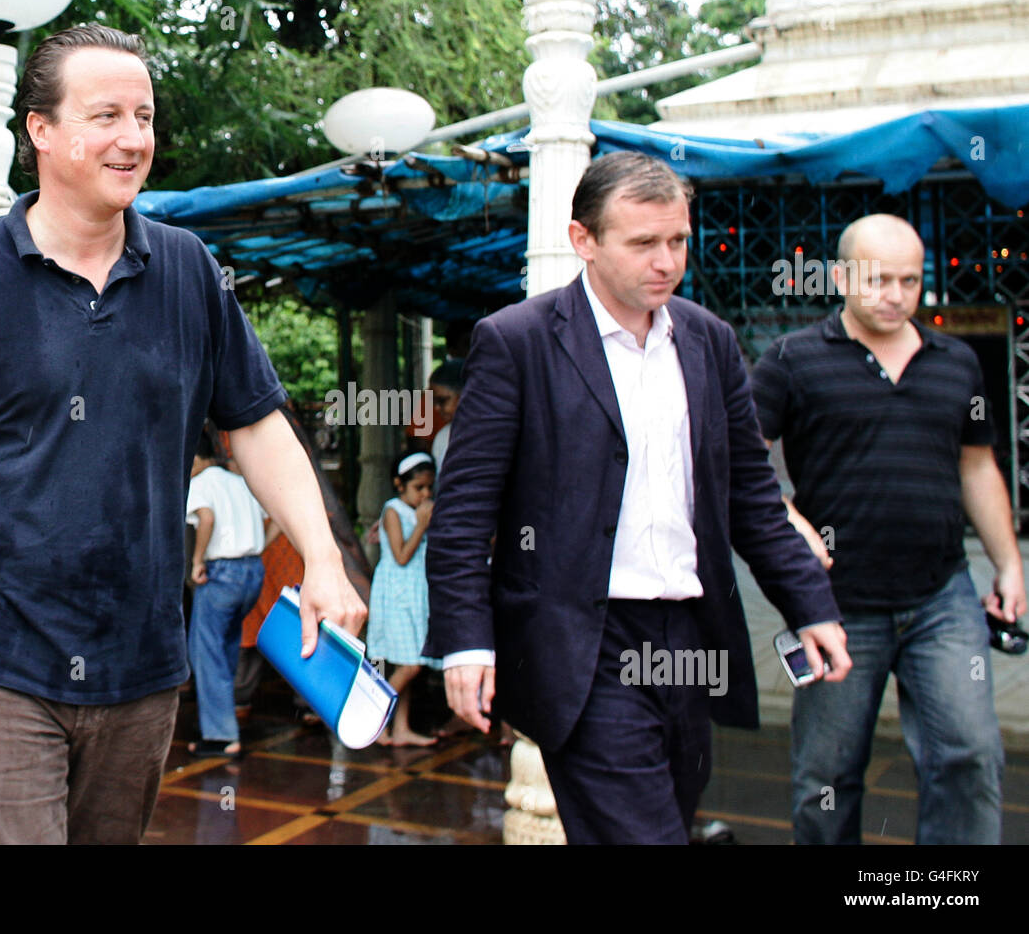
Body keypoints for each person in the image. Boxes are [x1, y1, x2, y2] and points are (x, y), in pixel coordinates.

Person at [0, 23, 365, 844]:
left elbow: (256, 427)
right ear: (40, 131)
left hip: (139, 668)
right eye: (107, 116)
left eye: (144, 117)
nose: (133, 139)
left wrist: (321, 555)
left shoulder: (187, 273)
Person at [425, 151, 851, 844]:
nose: (666, 261)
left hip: (688, 636)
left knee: (670, 816)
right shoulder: (517, 342)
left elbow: (751, 492)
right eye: (643, 243)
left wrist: (811, 606)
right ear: (583, 240)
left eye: (678, 241)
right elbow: (465, 512)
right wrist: (466, 642)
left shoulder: (709, 342)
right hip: (582, 644)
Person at [751, 213, 1022, 844]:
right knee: (826, 775)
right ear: (841, 276)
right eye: (877, 280)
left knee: (971, 756)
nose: (896, 294)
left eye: (909, 280)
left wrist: (1009, 564)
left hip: (943, 596)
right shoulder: (792, 360)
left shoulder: (956, 361)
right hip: (834, 605)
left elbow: (977, 467)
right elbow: (740, 462)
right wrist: (791, 522)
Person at [186, 428, 280, 758]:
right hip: (251, 572)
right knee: (225, 647)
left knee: (205, 650)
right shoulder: (241, 483)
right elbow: (277, 519)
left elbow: (206, 518)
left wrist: (197, 561)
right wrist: (256, 549)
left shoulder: (200, 483)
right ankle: (223, 724)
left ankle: (221, 735)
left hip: (221, 573)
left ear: (195, 458)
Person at [368, 452, 440, 747]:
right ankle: (373, 721)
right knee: (410, 665)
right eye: (418, 488)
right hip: (396, 594)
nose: (425, 494)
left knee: (406, 661)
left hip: (414, 595)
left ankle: (400, 728)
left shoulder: (415, 510)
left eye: (428, 488)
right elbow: (400, 556)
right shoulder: (393, 510)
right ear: (400, 484)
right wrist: (423, 524)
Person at [428, 361, 463, 476]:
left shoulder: (490, 431)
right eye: (434, 401)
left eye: (442, 400)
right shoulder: (442, 437)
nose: (437, 408)